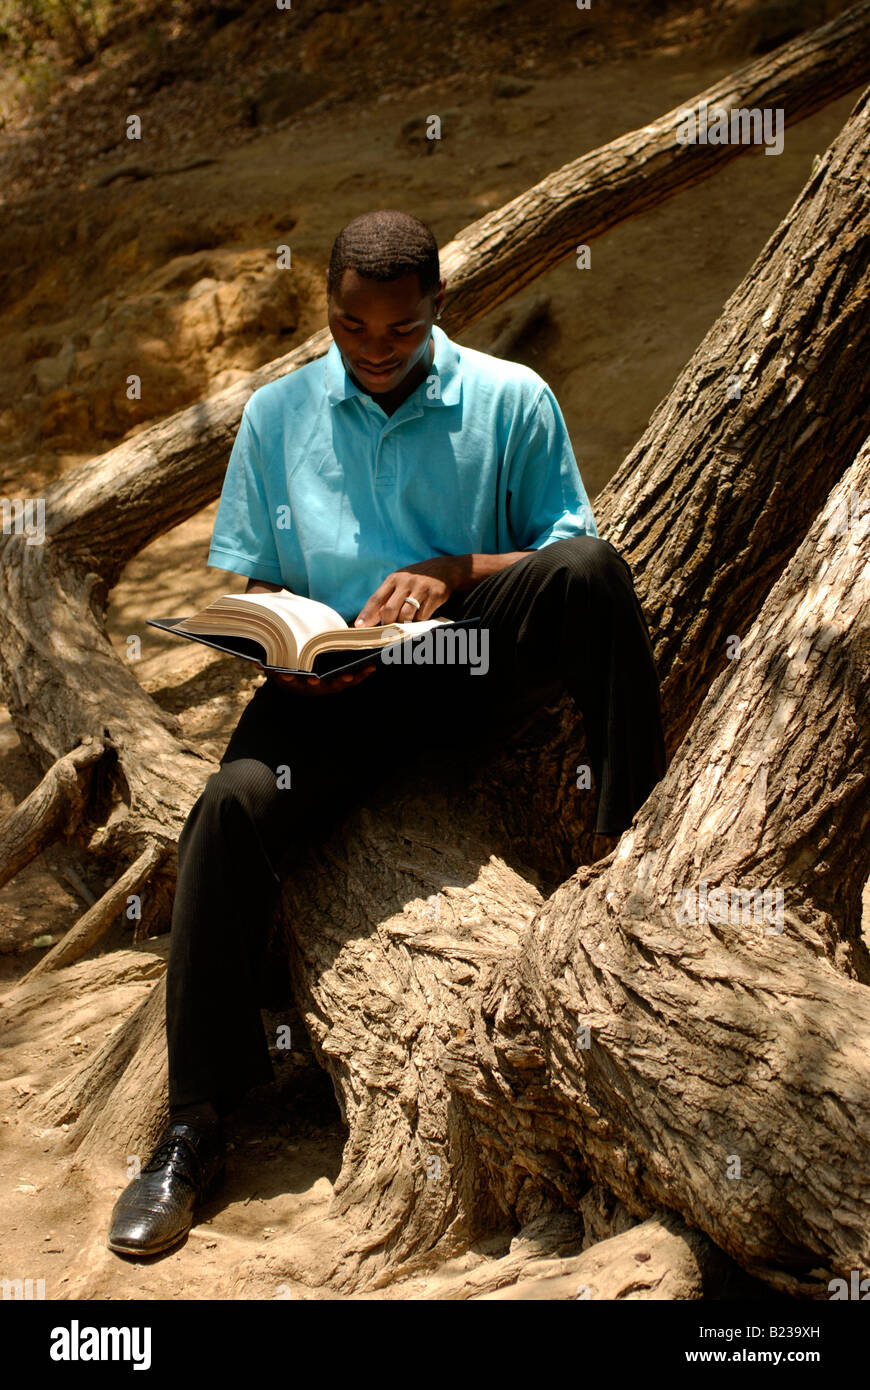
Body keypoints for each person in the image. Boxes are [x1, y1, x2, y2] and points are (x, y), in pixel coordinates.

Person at [107, 209, 666, 1257]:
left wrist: (455, 570)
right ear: (328, 307)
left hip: (462, 662)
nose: (373, 350)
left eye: (399, 331)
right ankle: (194, 1128)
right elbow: (258, 581)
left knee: (593, 578)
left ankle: (637, 845)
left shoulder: (509, 398)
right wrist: (284, 645)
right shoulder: (276, 416)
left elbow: (571, 547)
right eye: (350, 327)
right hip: (330, 691)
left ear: (437, 309)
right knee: (225, 814)